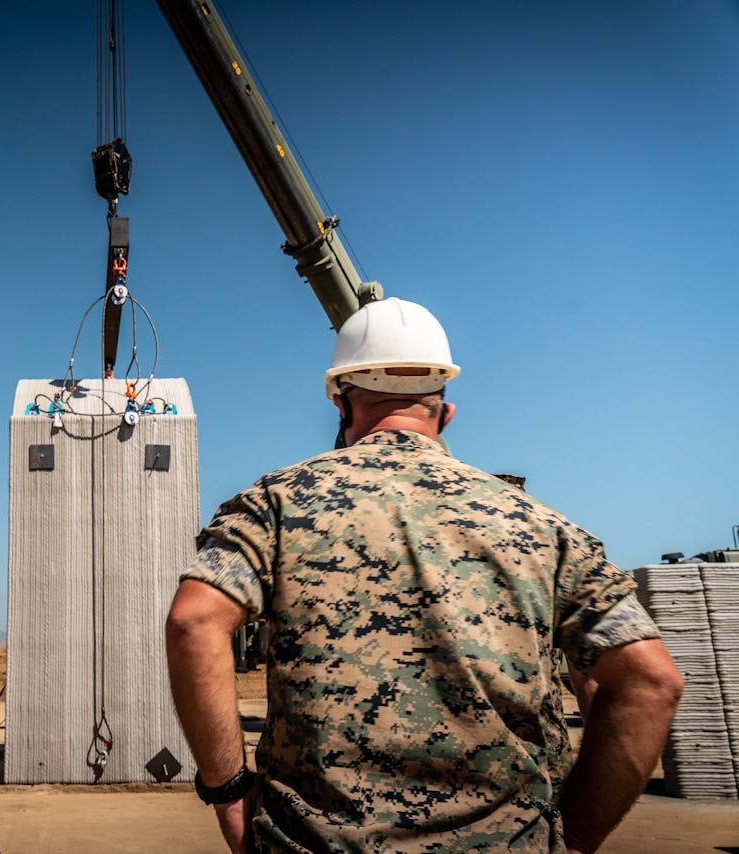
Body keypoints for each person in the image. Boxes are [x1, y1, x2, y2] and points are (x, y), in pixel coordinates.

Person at [165, 298, 684, 854]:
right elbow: (652, 682)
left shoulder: (277, 502)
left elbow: (195, 621)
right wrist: (573, 839)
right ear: (447, 411)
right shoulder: (544, 526)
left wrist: (229, 790)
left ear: (341, 403)